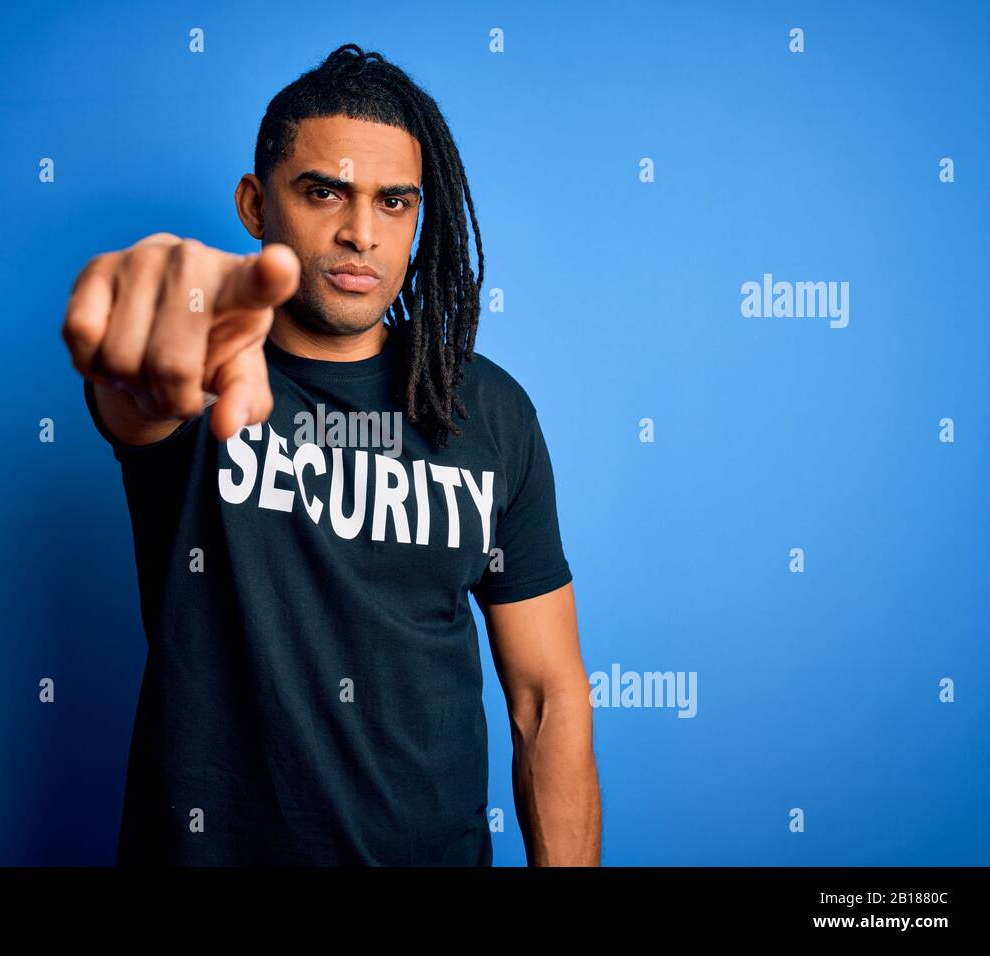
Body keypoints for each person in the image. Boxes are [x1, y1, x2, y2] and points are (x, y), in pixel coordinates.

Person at [61, 43, 600, 866]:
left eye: (394, 202)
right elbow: (134, 396)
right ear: (254, 203)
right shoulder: (203, 368)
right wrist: (135, 315)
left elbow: (545, 698)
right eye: (324, 192)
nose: (361, 233)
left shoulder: (489, 410)